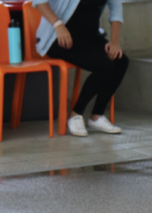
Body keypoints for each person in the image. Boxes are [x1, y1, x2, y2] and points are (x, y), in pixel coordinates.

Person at [32, 0, 127, 137]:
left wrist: (114, 42)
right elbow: (39, 2)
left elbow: (116, 8)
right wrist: (58, 25)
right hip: (58, 38)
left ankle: (97, 116)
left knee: (120, 60)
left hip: (88, 37)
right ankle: (75, 113)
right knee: (104, 65)